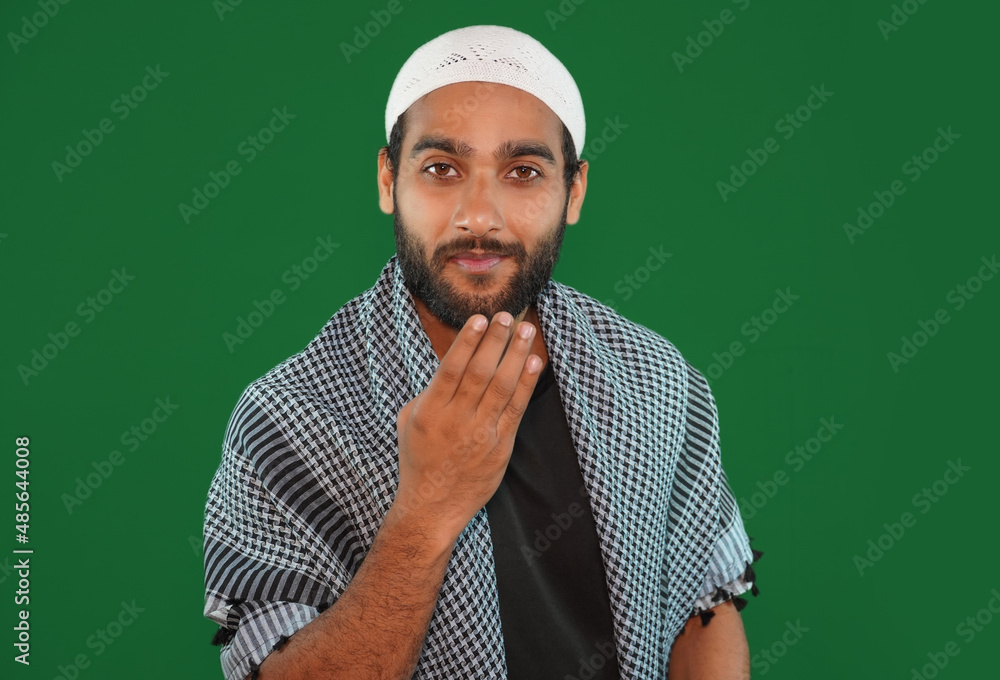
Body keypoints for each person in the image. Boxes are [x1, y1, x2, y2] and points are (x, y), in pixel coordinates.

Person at [202, 24, 763, 680]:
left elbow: (705, 606)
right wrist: (428, 509)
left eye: (523, 172)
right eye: (442, 168)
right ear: (389, 180)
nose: (479, 215)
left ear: (573, 192)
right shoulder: (289, 417)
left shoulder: (656, 380)